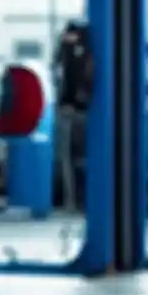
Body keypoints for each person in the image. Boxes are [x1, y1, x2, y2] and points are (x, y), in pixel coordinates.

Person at [53, 20, 93, 210]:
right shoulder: (72, 52)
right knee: (74, 158)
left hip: (77, 109)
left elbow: (67, 79)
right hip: (77, 109)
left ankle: (76, 199)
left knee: (74, 158)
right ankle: (75, 199)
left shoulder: (76, 53)